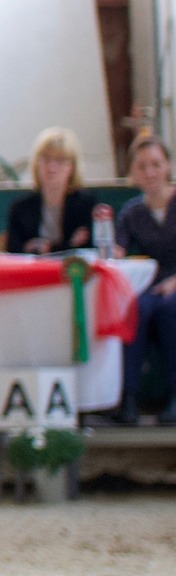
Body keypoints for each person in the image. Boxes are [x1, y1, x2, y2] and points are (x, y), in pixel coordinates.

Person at [115, 133, 176, 423]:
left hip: (174, 284)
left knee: (170, 309)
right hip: (152, 285)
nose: (150, 172)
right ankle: (128, 397)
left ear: (168, 166)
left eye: (156, 164)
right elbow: (117, 250)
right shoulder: (132, 213)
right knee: (136, 309)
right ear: (133, 172)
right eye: (142, 166)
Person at [5, 127, 96, 254]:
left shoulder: (86, 204)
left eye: (60, 160)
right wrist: (67, 245)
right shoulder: (20, 208)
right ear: (36, 164)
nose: (51, 167)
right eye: (46, 159)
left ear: (72, 167)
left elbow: (88, 248)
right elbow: (13, 252)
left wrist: (48, 249)